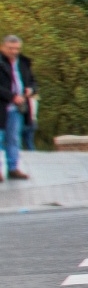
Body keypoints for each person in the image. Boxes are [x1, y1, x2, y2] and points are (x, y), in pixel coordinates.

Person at [1, 35, 35, 181]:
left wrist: (30, 89)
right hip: (2, 106)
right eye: (10, 48)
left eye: (17, 49)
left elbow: (32, 81)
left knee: (14, 138)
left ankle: (13, 167)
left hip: (17, 109)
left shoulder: (23, 62)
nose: (14, 52)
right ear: (2, 47)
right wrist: (11, 96)